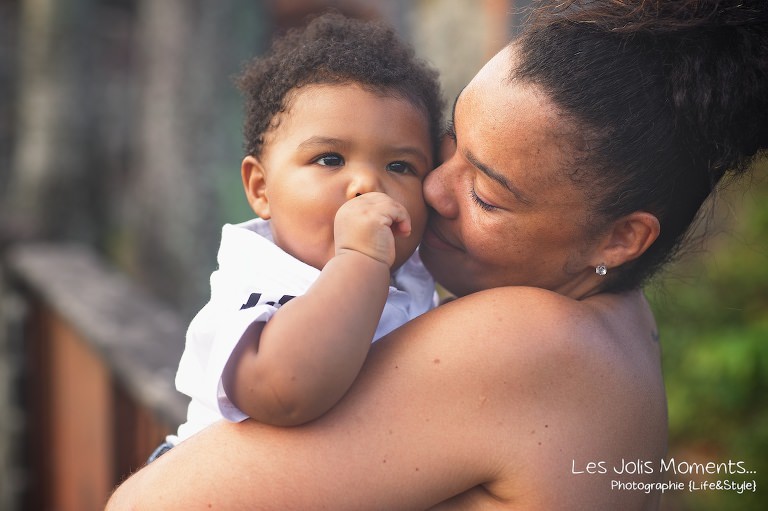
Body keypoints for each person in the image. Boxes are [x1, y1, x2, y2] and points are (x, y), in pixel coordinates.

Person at [108, 0, 767, 509]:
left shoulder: (530, 339)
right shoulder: (623, 321)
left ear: (619, 239)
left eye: (485, 193)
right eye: (449, 146)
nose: (430, 189)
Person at [154, 11, 444, 459]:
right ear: (261, 189)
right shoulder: (257, 278)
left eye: (400, 166)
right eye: (330, 159)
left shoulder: (415, 280)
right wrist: (360, 261)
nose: (367, 185)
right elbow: (283, 391)